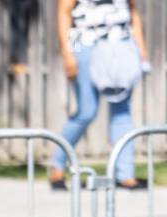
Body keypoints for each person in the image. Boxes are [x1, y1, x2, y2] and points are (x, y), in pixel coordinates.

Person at [49, 0, 150, 190]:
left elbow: (133, 12)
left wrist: (141, 51)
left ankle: (125, 175)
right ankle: (57, 167)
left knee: (122, 112)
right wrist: (67, 55)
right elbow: (64, 13)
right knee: (87, 111)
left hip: (121, 46)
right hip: (87, 45)